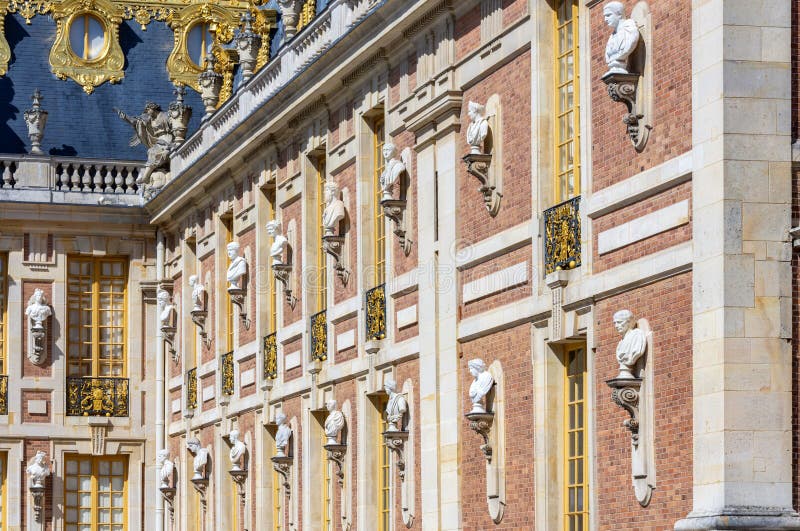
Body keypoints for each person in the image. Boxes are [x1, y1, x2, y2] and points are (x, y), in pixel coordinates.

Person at [116, 102, 174, 186]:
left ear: (153, 108)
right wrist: (125, 118)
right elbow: (136, 122)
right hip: (159, 141)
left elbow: (175, 126)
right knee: (151, 151)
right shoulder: (151, 119)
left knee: (153, 152)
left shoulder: (165, 115)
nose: (147, 112)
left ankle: (145, 177)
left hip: (167, 139)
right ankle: (146, 176)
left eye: (148, 109)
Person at [603, 1, 640, 75]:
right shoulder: (612, 37)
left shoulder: (630, 30)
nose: (605, 19)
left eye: (608, 15)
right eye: (605, 16)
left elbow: (630, 43)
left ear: (619, 14)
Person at [613, 309, 647, 378]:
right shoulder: (620, 343)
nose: (616, 326)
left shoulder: (637, 335)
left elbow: (637, 352)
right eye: (615, 323)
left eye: (619, 322)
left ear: (628, 322)